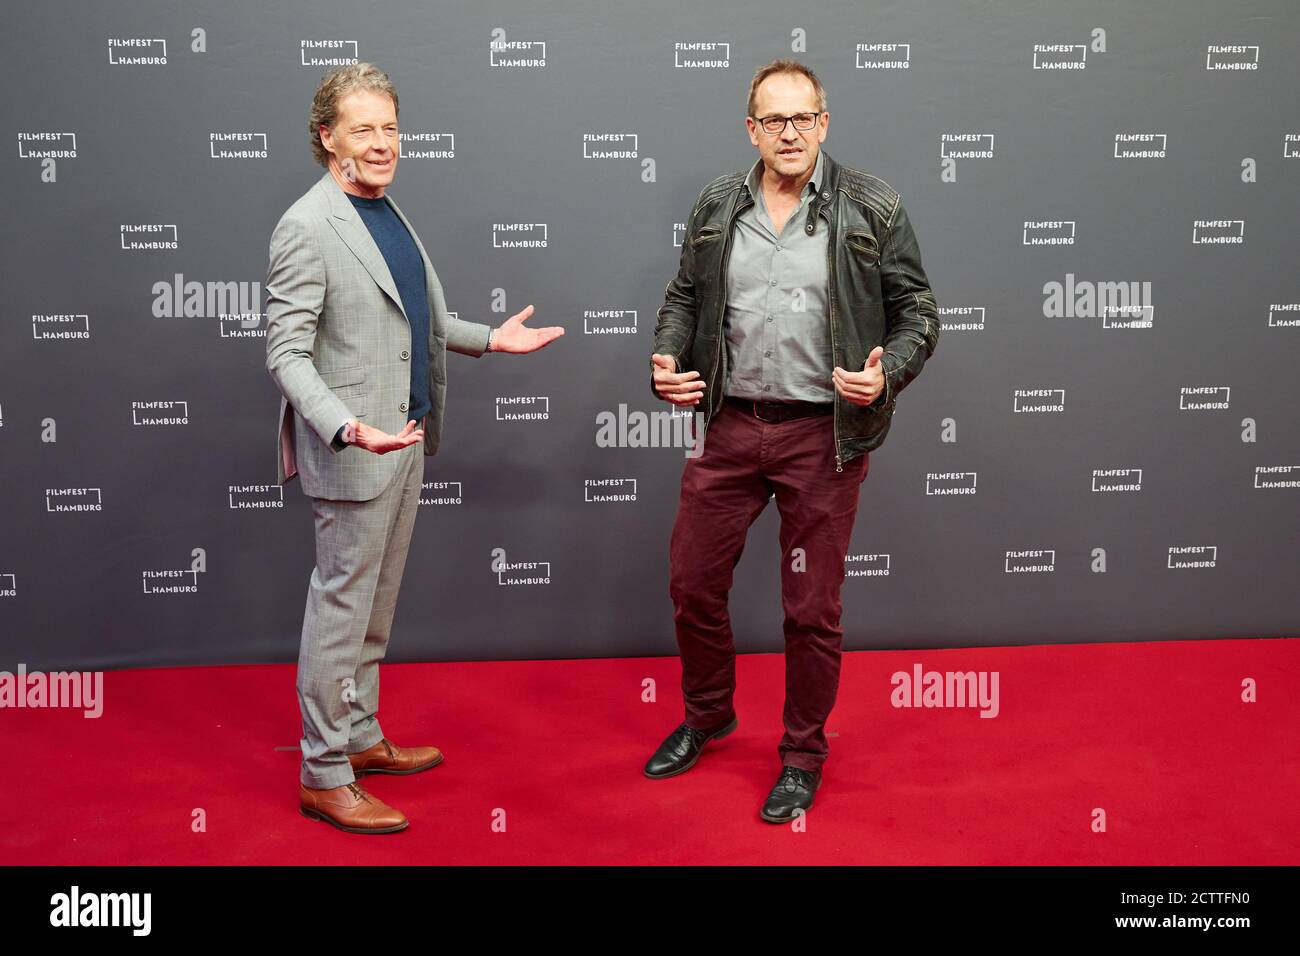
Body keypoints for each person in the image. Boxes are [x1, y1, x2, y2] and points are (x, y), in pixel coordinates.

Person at [265, 63, 563, 834]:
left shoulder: (388, 212)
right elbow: (287, 353)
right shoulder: (306, 224)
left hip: (406, 442)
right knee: (339, 609)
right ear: (327, 138)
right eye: (364, 129)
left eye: (391, 127)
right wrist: (342, 425)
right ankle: (322, 773)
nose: (383, 143)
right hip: (355, 449)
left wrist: (492, 339)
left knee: (374, 609)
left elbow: (422, 322)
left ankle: (359, 738)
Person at [647, 58, 939, 823]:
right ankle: (708, 715)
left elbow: (918, 312)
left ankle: (802, 754)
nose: (789, 132)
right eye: (773, 120)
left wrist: (889, 374)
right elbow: (684, 296)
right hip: (730, 426)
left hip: (823, 438)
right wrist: (669, 359)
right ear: (751, 129)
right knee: (691, 584)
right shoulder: (717, 203)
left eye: (802, 117)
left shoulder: (872, 206)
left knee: (810, 610)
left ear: (824, 123)